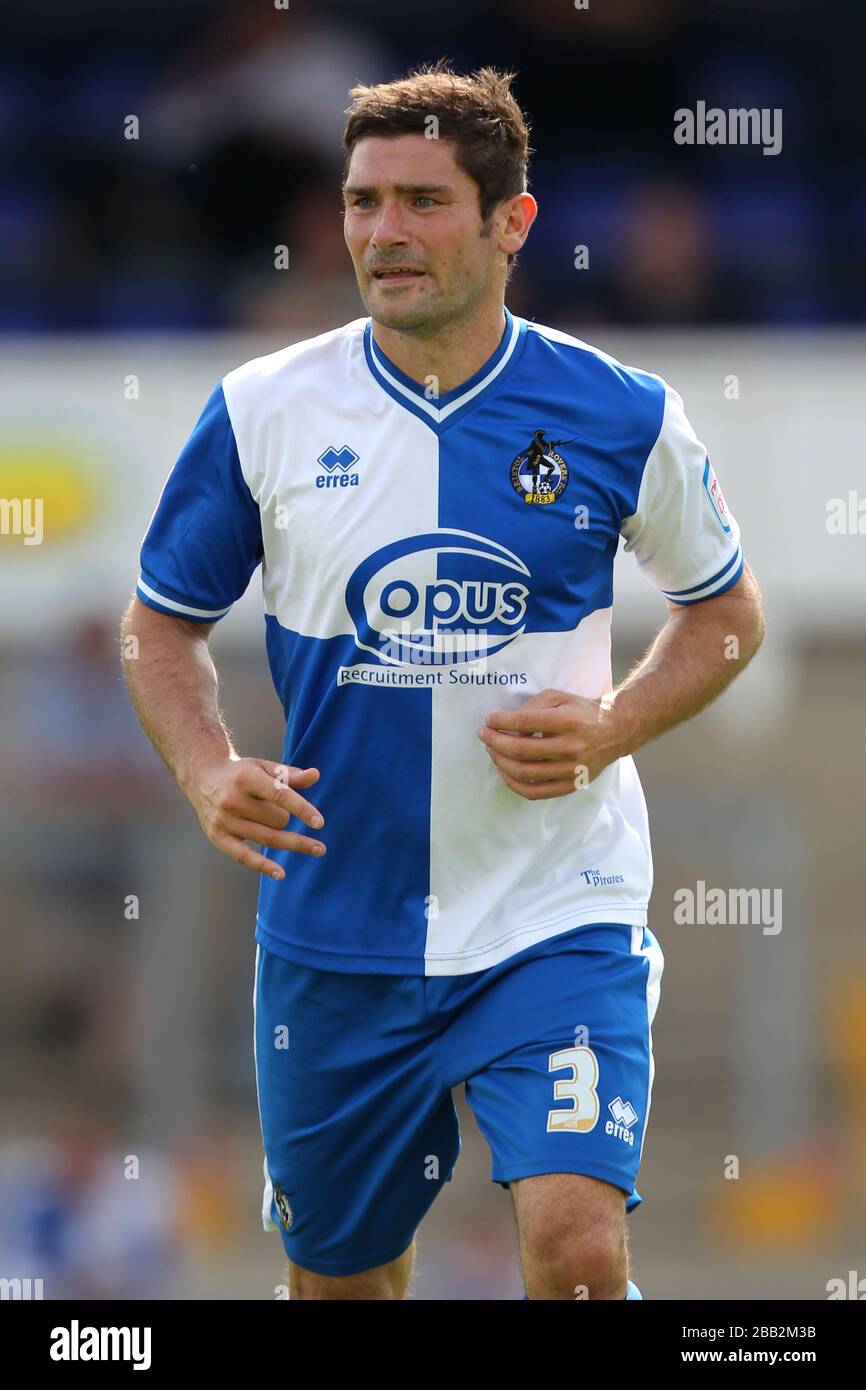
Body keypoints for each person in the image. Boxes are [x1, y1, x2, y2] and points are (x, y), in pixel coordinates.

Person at [121, 61, 765, 1300]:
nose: (382, 234)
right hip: (337, 932)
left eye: (421, 201)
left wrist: (612, 726)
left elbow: (724, 614)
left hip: (552, 909)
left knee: (576, 1249)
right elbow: (158, 630)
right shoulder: (261, 409)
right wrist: (206, 774)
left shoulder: (618, 411)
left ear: (508, 223)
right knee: (344, 1287)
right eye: (364, 201)